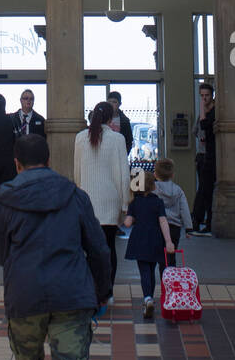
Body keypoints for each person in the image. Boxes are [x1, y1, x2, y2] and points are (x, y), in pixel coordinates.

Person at [0, 134, 111, 360]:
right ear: (49, 161)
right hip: (72, 298)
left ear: (17, 164)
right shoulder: (75, 195)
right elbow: (99, 249)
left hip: (24, 299)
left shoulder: (3, 198)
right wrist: (100, 293)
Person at [73, 100, 130, 300]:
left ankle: (89, 289)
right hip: (110, 203)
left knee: (88, 249)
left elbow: (77, 173)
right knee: (108, 248)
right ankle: (107, 292)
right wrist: (125, 204)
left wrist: (78, 199)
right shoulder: (118, 139)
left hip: (87, 203)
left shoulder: (80, 138)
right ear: (109, 118)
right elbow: (123, 174)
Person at [124, 172, 176, 319]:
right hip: (155, 239)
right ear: (153, 186)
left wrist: (125, 215)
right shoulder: (158, 202)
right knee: (151, 269)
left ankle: (147, 298)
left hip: (139, 239)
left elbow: (127, 223)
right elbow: (163, 222)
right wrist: (168, 241)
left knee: (144, 270)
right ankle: (150, 297)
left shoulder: (135, 203)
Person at [153, 157, 193, 255]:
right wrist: (188, 228)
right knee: (170, 255)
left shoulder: (153, 189)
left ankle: (159, 270)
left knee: (156, 254)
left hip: (157, 225)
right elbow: (184, 209)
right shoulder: (178, 190)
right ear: (172, 175)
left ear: (155, 174)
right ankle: (170, 269)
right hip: (175, 227)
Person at [191, 81, 216, 234]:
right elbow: (196, 129)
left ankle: (202, 220)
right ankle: (199, 220)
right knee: (203, 189)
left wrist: (202, 110)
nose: (204, 99)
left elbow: (205, 125)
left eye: (206, 96)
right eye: (202, 96)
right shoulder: (203, 112)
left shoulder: (212, 112)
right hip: (202, 155)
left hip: (210, 155)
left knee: (206, 190)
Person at [106, 91, 133, 156]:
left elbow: (128, 141)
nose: (111, 104)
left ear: (120, 104)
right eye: (109, 102)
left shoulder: (125, 121)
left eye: (114, 102)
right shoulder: (102, 119)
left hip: (118, 154)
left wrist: (124, 155)